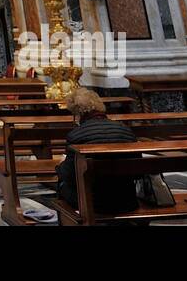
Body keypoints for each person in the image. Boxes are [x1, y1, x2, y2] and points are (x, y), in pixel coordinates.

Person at [55, 87, 139, 216]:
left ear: (77, 114)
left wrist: (60, 166)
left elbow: (70, 176)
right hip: (125, 200)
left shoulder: (76, 135)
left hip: (92, 202)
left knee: (62, 184)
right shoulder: (126, 130)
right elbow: (138, 172)